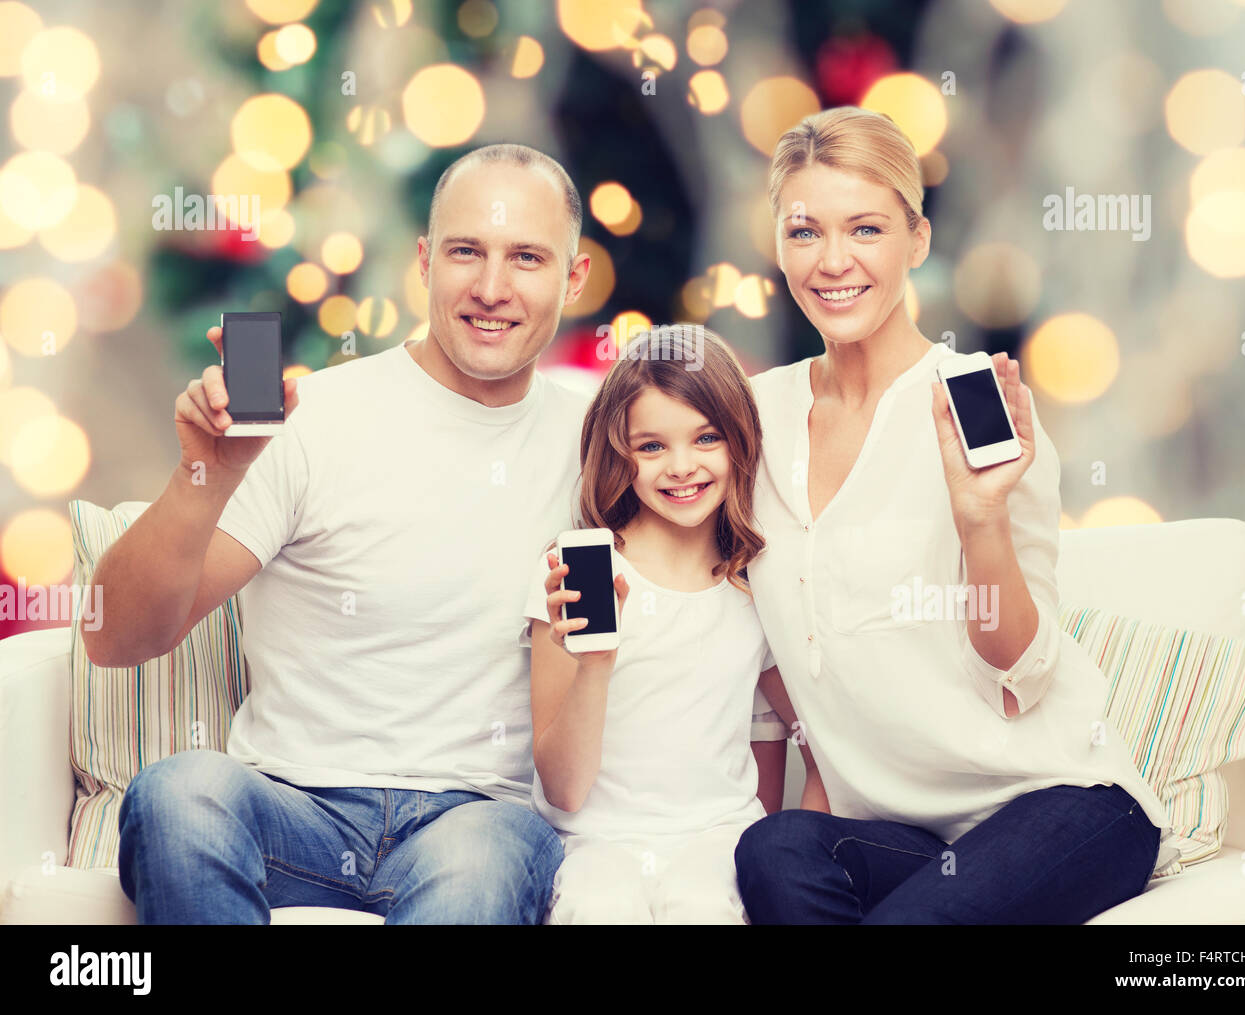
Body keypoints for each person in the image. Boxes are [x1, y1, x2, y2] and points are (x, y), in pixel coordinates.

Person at [86, 143, 594, 924]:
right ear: (424, 261)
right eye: (466, 251)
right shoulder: (314, 418)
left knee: (479, 869)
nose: (492, 287)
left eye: (527, 257)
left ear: (575, 276)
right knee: (177, 793)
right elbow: (114, 636)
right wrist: (207, 476)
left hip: (475, 820)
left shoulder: (608, 446)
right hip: (294, 808)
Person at [733, 107, 1178, 925]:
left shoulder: (975, 399)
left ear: (919, 240)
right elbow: (793, 663)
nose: (833, 261)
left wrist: (981, 519)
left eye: (866, 229)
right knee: (773, 849)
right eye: (805, 232)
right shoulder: (756, 417)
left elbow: (1022, 675)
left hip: (1059, 806)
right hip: (904, 835)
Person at [523, 325, 821, 924]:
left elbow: (811, 733)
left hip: (717, 844)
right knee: (602, 908)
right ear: (619, 455)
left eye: (706, 438)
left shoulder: (753, 583)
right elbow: (565, 790)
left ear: (740, 440)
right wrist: (595, 665)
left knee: (701, 909)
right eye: (652, 446)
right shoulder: (578, 572)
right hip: (594, 845)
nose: (681, 467)